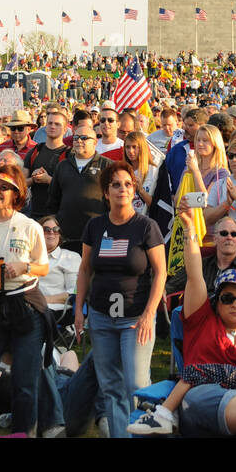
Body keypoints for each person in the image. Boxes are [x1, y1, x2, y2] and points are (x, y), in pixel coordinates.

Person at [132, 211, 236, 436]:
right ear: (216, 302)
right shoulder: (202, 321)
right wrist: (190, 231)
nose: (235, 303)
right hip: (206, 400)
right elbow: (194, 276)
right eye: (227, 298)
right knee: (202, 398)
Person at [75, 160, 166, 439]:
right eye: (116, 184)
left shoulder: (146, 226)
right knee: (110, 386)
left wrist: (149, 313)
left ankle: (143, 432)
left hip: (135, 319)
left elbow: (161, 272)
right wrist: (79, 310)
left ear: (134, 189)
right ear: (106, 192)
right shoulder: (95, 226)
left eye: (128, 184)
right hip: (101, 318)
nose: (123, 189)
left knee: (136, 384)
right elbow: (85, 268)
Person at [0, 163, 50, 436]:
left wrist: (23, 267)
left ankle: (24, 432)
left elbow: (43, 267)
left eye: (4, 187)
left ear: (17, 193)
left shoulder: (30, 227)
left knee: (25, 381)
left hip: (26, 304)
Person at [165, 213, 236, 302]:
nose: (229, 237)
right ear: (215, 239)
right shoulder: (201, 265)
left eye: (234, 234)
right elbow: (170, 286)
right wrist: (162, 291)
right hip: (203, 320)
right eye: (224, 233)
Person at [44, 120, 108, 253]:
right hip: (67, 238)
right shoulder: (62, 166)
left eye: (84, 138)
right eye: (76, 138)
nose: (79, 141)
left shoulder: (107, 166)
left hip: (98, 236)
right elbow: (53, 200)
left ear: (95, 142)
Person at [25, 107, 70, 222]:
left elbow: (72, 188)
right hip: (34, 214)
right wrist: (33, 179)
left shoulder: (70, 154)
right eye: (50, 123)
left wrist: (49, 180)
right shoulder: (35, 151)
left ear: (65, 129)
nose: (53, 126)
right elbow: (22, 182)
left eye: (57, 124)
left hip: (59, 216)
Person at [123, 131, 160, 215]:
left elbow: (156, 206)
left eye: (134, 147)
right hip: (127, 219)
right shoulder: (122, 171)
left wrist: (140, 190)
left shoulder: (153, 170)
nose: (130, 151)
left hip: (147, 220)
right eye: (127, 147)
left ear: (142, 148)